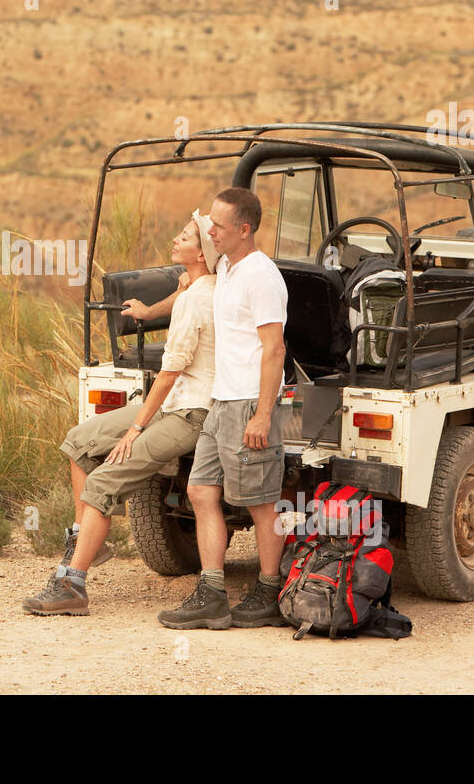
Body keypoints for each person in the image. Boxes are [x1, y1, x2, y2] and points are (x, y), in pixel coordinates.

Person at [22, 211, 219, 616]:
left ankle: (72, 586)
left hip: (189, 411)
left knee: (104, 480)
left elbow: (168, 373)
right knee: (79, 442)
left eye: (185, 236)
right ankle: (85, 542)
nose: (176, 239)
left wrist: (135, 427)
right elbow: (181, 294)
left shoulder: (199, 301)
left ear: (201, 254)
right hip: (171, 402)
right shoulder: (195, 286)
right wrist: (149, 312)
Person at [153, 186, 290, 630]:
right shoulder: (228, 266)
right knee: (200, 491)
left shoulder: (260, 275)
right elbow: (199, 272)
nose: (209, 230)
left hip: (250, 401)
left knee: (260, 502)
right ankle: (212, 593)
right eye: (209, 223)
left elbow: (274, 350)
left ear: (244, 230)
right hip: (220, 401)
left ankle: (270, 591)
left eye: (218, 225)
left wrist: (263, 415)